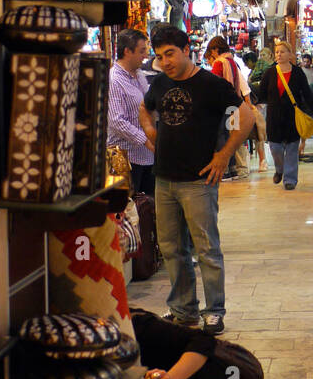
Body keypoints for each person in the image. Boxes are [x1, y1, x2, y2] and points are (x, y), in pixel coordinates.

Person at [139, 24, 255, 333]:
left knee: (206, 248)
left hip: (198, 181)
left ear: (187, 50)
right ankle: (183, 309)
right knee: (172, 247)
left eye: (171, 54)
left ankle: (214, 310)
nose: (166, 62)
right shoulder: (160, 84)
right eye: (160, 56)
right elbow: (145, 108)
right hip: (163, 178)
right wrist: (151, 132)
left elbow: (245, 117)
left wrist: (224, 154)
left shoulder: (211, 86)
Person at [257, 41, 313, 190]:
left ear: (290, 54)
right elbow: (262, 93)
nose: (279, 54)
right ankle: (279, 169)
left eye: (282, 52)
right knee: (275, 147)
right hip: (274, 116)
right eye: (277, 52)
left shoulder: (297, 73)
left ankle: (290, 179)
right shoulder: (270, 73)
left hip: (292, 116)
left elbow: (306, 93)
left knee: (292, 148)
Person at [107, 28, 155, 195]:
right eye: (142, 51)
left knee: (148, 209)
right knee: (130, 210)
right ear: (127, 51)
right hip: (126, 158)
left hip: (148, 156)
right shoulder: (114, 80)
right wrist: (145, 139)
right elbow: (116, 121)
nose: (145, 55)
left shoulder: (139, 75)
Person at [205, 37, 252, 180]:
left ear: (215, 49)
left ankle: (224, 171)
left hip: (222, 106)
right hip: (233, 104)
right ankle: (232, 169)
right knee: (230, 136)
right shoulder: (232, 61)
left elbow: (213, 84)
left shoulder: (220, 62)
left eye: (211, 50)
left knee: (221, 136)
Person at [248, 45, 274, 169]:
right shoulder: (256, 69)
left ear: (270, 55)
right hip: (257, 103)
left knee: (262, 132)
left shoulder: (272, 68)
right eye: (261, 55)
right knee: (259, 132)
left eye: (264, 55)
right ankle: (262, 160)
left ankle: (264, 160)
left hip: (266, 102)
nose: (262, 58)